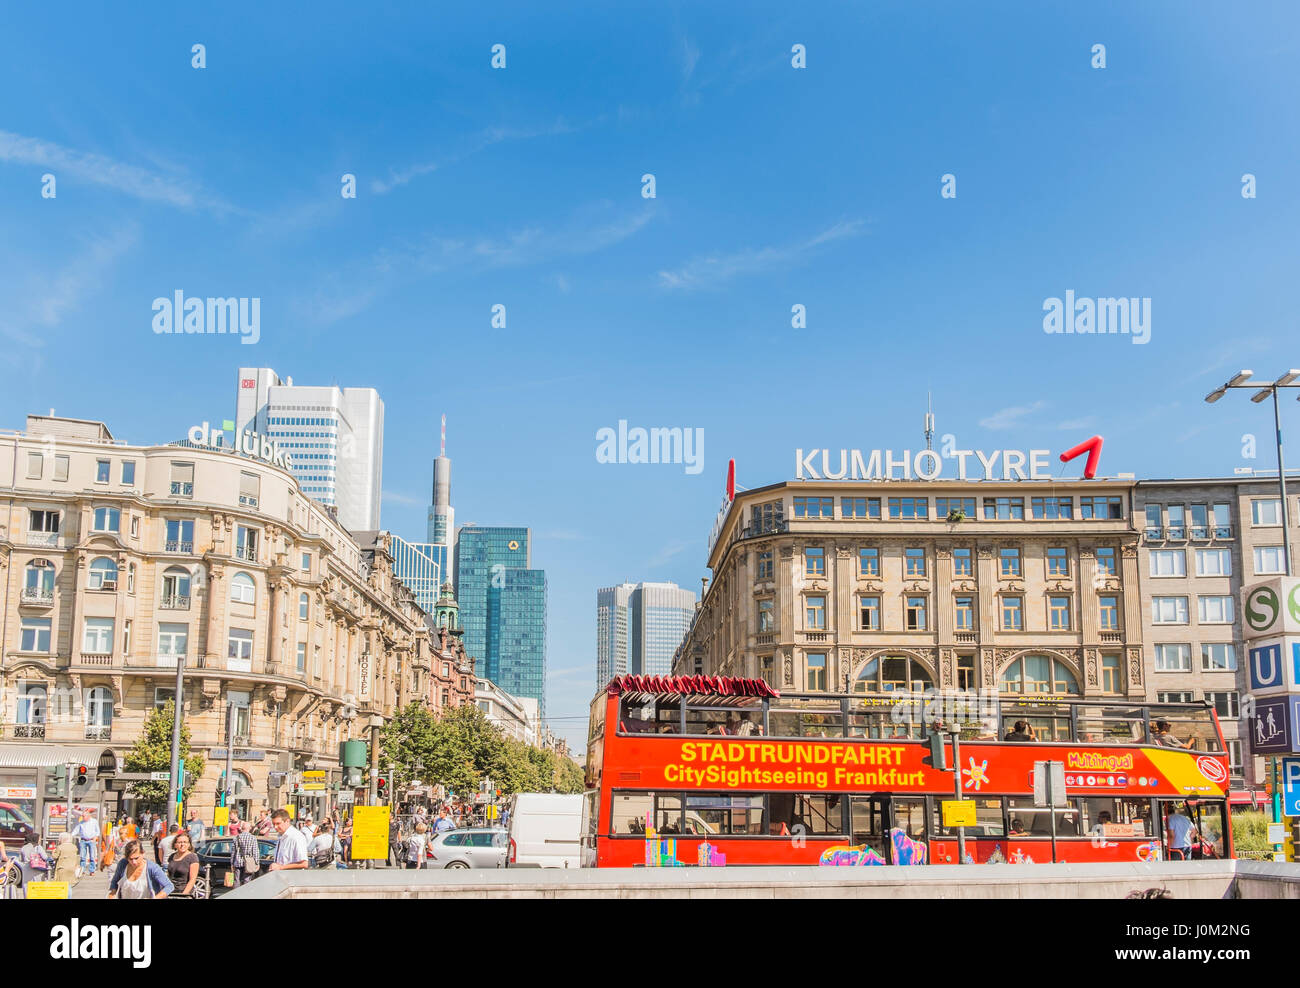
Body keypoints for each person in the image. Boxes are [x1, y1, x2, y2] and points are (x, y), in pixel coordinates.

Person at [108, 839, 173, 899]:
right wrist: (112, 893)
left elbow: (169, 886)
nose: (134, 862)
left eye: (136, 858)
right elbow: (114, 882)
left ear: (143, 853)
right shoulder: (123, 864)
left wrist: (155, 898)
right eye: (130, 859)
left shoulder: (152, 868)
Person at [167, 831, 201, 895]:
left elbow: (192, 879)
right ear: (175, 845)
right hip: (170, 891)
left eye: (185, 842)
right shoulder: (172, 856)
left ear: (189, 844)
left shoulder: (192, 857)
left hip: (183, 892)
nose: (182, 844)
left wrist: (184, 894)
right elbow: (169, 875)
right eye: (179, 842)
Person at [231, 822, 262, 886]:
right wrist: (257, 862)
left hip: (237, 862)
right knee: (247, 880)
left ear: (242, 828)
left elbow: (233, 852)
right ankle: (245, 894)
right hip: (249, 862)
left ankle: (236, 894)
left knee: (237, 880)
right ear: (250, 828)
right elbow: (255, 851)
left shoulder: (236, 838)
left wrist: (232, 863)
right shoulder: (253, 838)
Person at [75, 810, 100, 875]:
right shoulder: (81, 823)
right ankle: (82, 870)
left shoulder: (94, 821)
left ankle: (92, 871)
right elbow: (76, 830)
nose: (83, 817)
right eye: (82, 816)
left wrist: (95, 838)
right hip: (83, 840)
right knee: (82, 856)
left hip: (91, 840)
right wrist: (70, 835)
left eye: (84, 816)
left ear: (88, 816)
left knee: (92, 856)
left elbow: (98, 831)